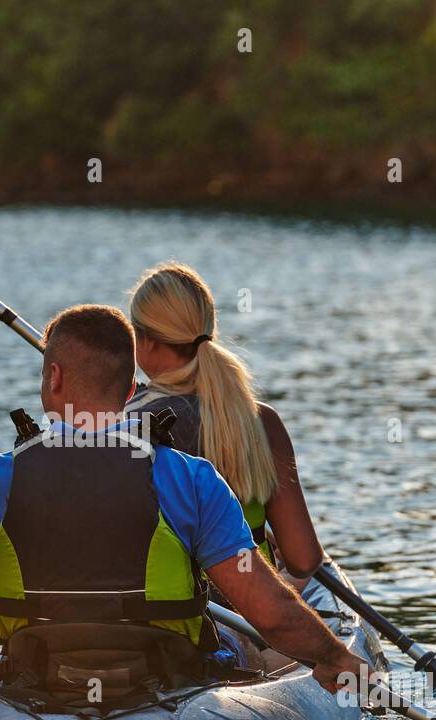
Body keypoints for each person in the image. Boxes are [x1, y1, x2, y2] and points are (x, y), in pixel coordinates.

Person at [0, 304, 370, 694]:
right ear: (131, 391)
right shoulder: (191, 478)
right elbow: (269, 615)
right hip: (159, 676)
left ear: (54, 376)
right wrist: (333, 656)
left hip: (37, 674)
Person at [124, 262, 389, 670]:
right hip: (247, 615)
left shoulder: (124, 427)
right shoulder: (261, 421)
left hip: (158, 619)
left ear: (147, 343)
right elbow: (303, 561)